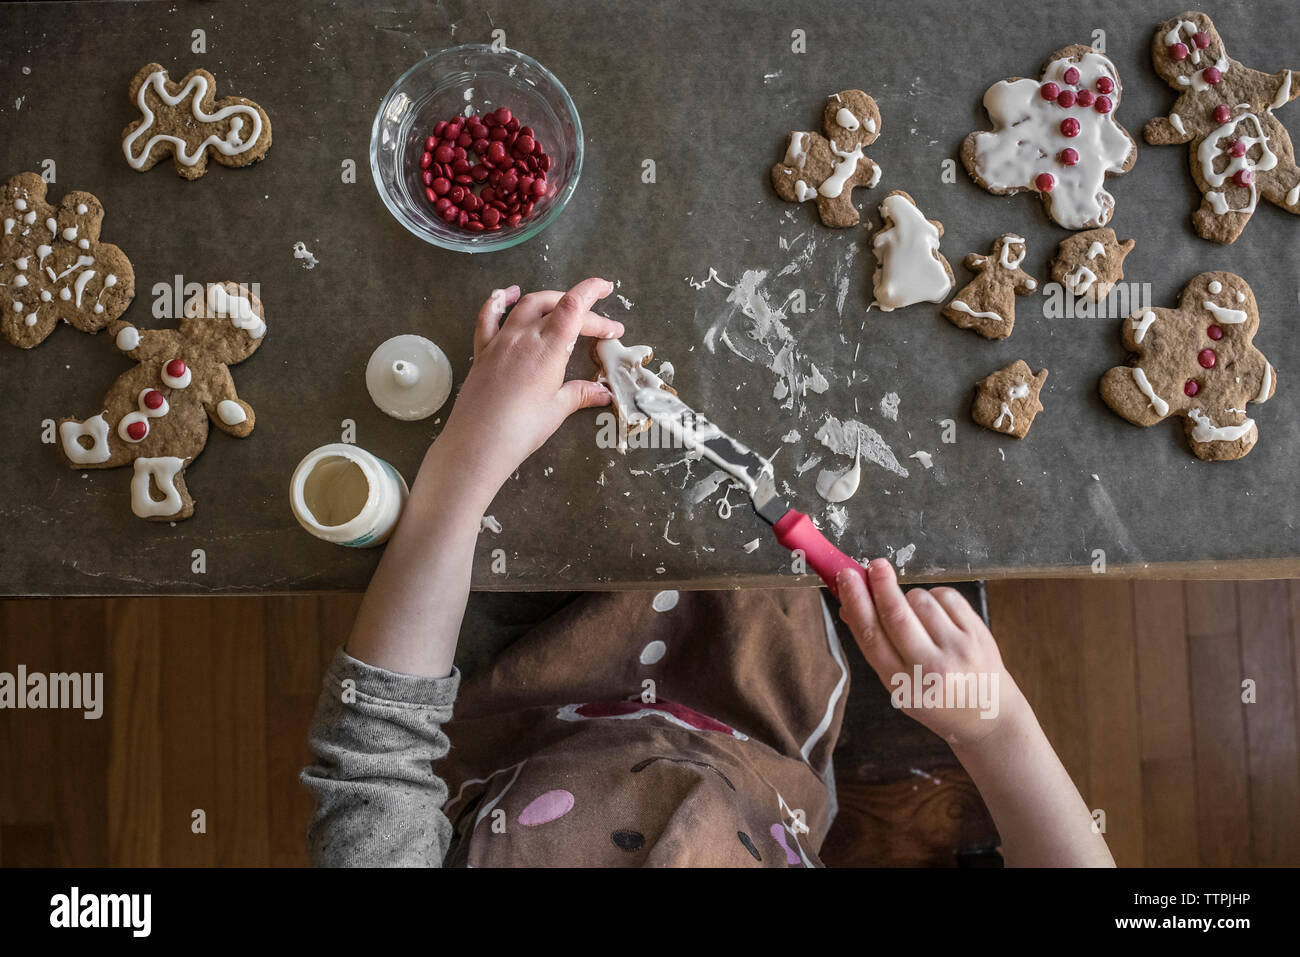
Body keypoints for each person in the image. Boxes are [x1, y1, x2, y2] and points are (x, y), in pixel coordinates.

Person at [302, 278, 1114, 868]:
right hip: (760, 702)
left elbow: (375, 754)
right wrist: (989, 721)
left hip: (517, 685)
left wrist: (466, 461)